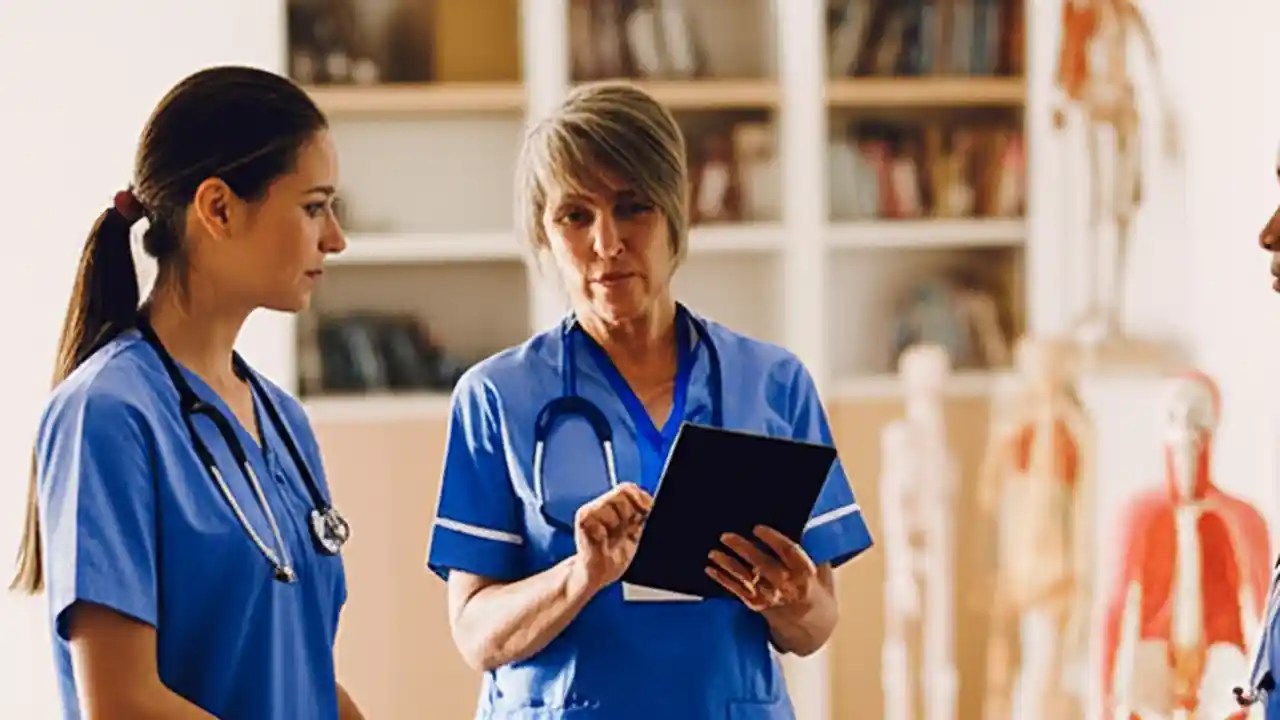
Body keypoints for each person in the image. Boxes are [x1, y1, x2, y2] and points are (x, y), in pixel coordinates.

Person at [425, 81, 874, 718]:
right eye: (574, 216)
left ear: (674, 213)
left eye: (632, 207)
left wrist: (791, 596)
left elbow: (814, 627)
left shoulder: (772, 384)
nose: (606, 243)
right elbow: (476, 633)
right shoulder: (499, 397)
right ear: (545, 234)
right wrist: (582, 576)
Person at [10, 65, 365, 720]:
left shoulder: (282, 422)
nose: (336, 238)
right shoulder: (109, 414)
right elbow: (120, 703)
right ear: (219, 208)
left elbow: (299, 674)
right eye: (314, 207)